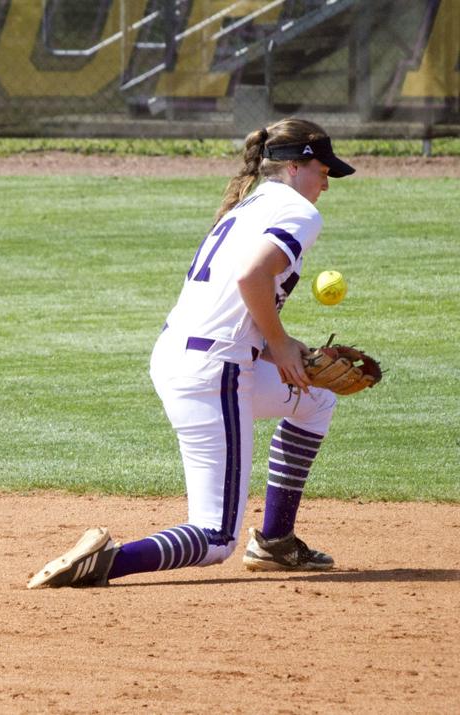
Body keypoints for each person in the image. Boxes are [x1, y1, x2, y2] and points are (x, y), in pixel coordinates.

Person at [28, 117, 355, 589]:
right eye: (323, 170)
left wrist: (285, 350)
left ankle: (275, 542)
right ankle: (106, 562)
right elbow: (251, 278)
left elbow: (229, 307)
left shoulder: (247, 206)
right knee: (216, 535)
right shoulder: (299, 212)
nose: (326, 181)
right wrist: (280, 344)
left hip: (187, 357)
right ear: (297, 165)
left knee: (316, 400)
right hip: (214, 372)